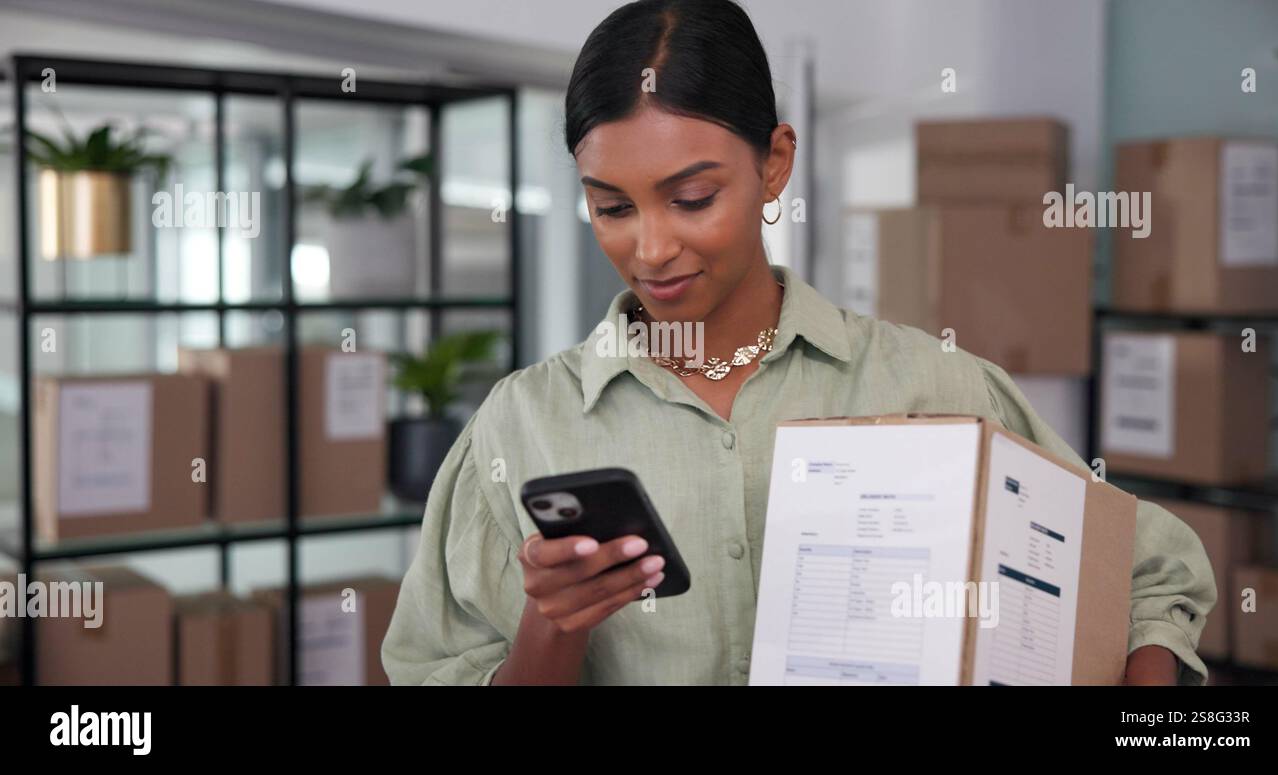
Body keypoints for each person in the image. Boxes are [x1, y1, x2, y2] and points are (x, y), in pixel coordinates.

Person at [381, 0, 1215, 686]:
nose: (652, 248)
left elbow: (1145, 575)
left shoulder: (935, 386)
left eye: (694, 197)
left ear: (775, 163)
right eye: (613, 207)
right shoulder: (520, 427)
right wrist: (552, 627)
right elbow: (433, 667)